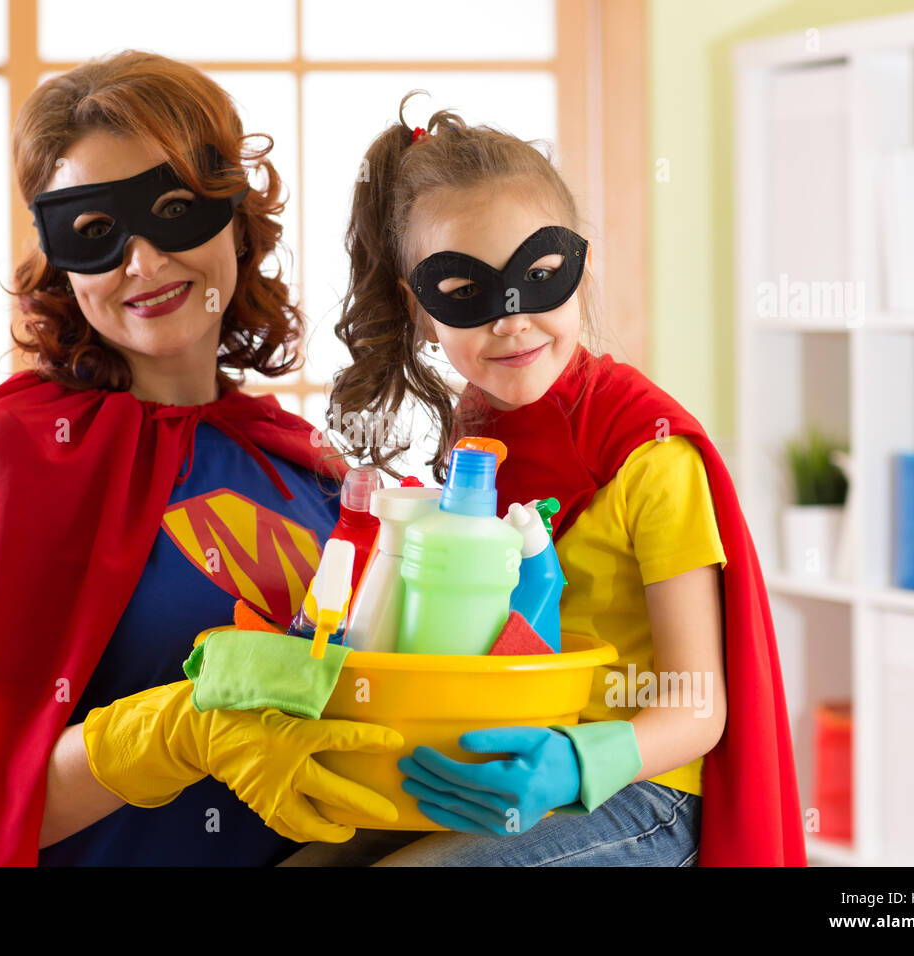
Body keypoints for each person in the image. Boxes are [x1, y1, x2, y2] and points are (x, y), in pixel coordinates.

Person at [0, 51, 401, 867]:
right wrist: (178, 731)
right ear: (62, 262)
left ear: (234, 215)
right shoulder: (12, 458)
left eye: (172, 210)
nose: (144, 263)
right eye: (95, 234)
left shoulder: (299, 464)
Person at [281, 94, 805, 866]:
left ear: (579, 263)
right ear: (418, 309)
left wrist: (575, 762)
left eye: (540, 274)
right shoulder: (477, 429)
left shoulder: (652, 456)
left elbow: (699, 708)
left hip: (647, 791)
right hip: (501, 758)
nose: (513, 321)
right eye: (465, 294)